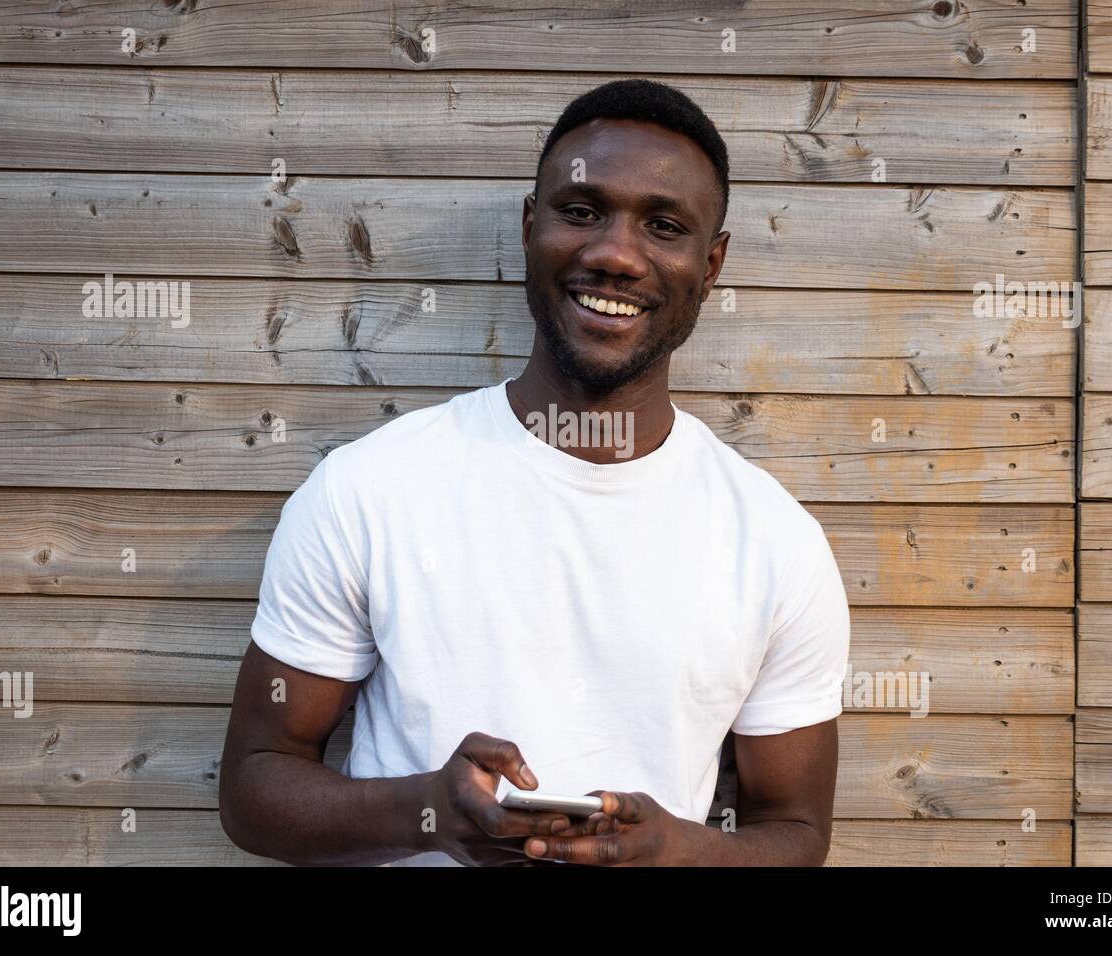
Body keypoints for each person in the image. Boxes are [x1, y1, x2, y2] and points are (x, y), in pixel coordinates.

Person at [219, 78, 851, 866]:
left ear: (711, 263)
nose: (614, 254)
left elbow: (795, 833)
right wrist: (427, 813)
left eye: (663, 226)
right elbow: (253, 785)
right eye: (581, 211)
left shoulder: (777, 544)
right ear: (530, 226)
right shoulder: (370, 491)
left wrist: (676, 853)